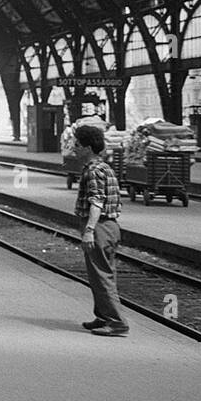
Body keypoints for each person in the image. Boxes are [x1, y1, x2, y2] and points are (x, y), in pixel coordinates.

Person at [73, 125, 128, 336]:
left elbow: (97, 202)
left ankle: (116, 321)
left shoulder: (94, 171)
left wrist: (89, 230)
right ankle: (103, 316)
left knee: (102, 276)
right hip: (110, 227)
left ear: (87, 147)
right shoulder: (104, 167)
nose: (74, 148)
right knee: (103, 274)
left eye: (77, 145)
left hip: (100, 227)